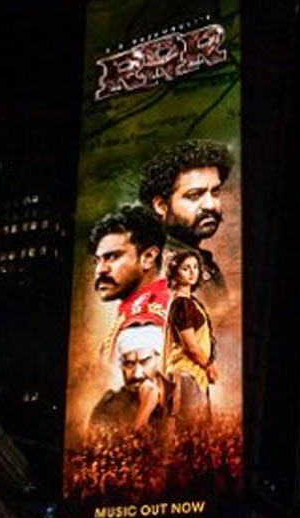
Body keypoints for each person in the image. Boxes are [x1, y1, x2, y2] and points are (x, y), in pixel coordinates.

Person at [138, 139, 234, 312]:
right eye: (194, 195)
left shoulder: (201, 261)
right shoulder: (161, 271)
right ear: (161, 206)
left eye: (215, 192)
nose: (210, 205)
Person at [87, 204, 171, 359]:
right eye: (97, 261)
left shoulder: (147, 319)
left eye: (112, 257)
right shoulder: (134, 311)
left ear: (148, 257)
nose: (100, 270)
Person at [163, 249, 217, 424]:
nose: (193, 272)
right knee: (190, 429)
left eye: (195, 267)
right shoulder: (183, 304)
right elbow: (190, 346)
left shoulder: (191, 302)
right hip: (187, 375)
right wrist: (209, 366)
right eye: (186, 268)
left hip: (194, 374)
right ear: (175, 273)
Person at [88, 323, 166, 430]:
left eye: (144, 362)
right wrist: (146, 408)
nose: (137, 374)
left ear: (158, 360)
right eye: (129, 364)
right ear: (121, 365)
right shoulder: (108, 407)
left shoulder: (182, 390)